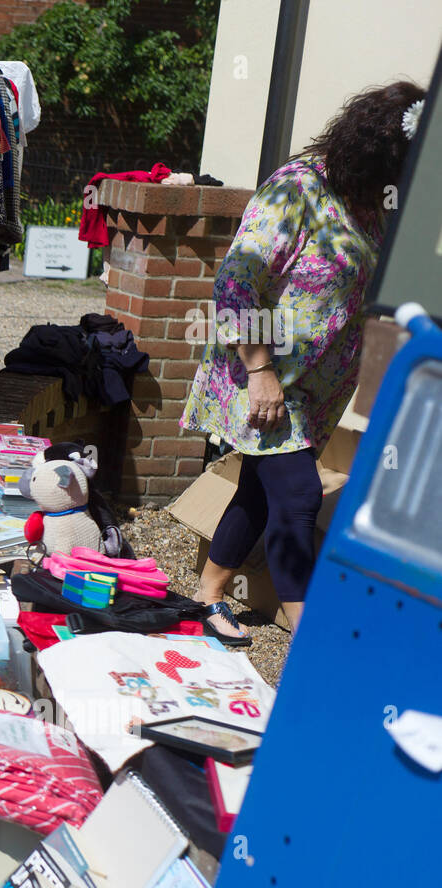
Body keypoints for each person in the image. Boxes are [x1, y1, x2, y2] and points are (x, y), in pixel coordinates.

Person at [181, 81, 426, 643]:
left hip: (315, 387)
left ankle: (208, 596)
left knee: (259, 491)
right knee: (298, 497)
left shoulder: (371, 203)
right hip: (263, 377)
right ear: (376, 151)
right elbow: (237, 283)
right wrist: (261, 371)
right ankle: (311, 638)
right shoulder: (297, 189)